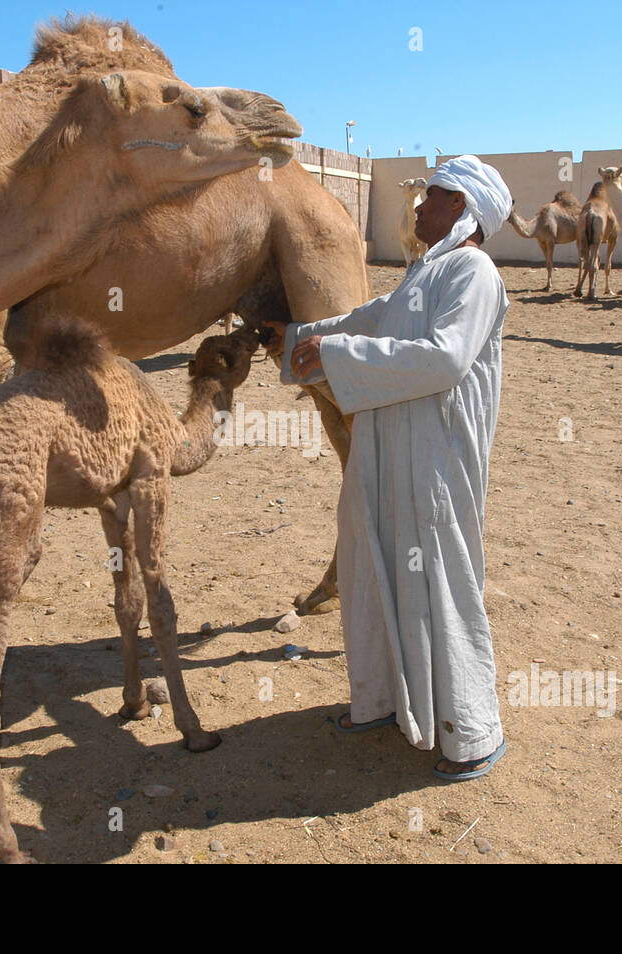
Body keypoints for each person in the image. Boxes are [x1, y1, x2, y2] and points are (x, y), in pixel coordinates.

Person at [265, 155, 511, 780]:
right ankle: (382, 701)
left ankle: (470, 731)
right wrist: (295, 338)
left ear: (461, 207)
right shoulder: (422, 275)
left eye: (432, 196)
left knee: (441, 580)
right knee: (371, 559)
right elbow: (366, 321)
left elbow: (446, 358)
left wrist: (336, 351)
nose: (421, 207)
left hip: (435, 455)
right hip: (385, 445)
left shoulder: (473, 271)